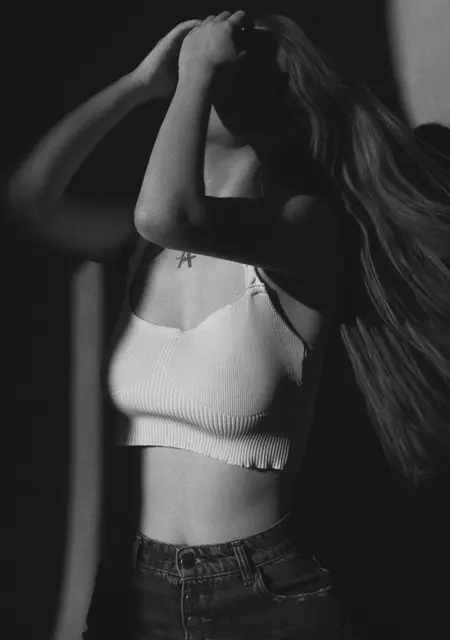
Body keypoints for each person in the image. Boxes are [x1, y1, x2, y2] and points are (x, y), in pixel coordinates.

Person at [6, 9, 450, 640]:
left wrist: (193, 76)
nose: (203, 73)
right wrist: (136, 84)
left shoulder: (303, 227)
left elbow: (168, 212)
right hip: (136, 589)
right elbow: (30, 203)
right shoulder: (145, 247)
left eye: (220, 70)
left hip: (263, 594)